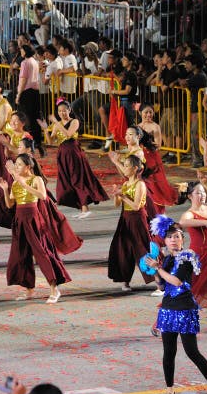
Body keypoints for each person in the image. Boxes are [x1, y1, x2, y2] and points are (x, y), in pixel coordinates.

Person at [146, 215, 207, 394]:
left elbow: (177, 281)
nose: (174, 240)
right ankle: (169, 389)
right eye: (170, 237)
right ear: (165, 241)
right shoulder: (167, 260)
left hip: (185, 310)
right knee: (169, 352)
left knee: (192, 352)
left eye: (177, 236)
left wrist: (158, 269)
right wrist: (155, 273)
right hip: (167, 310)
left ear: (183, 239)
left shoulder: (187, 257)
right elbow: (163, 287)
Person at [0, 153, 70, 303]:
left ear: (28, 167)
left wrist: (24, 184)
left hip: (34, 220)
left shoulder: (36, 179)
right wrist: (5, 189)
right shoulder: (15, 183)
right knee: (21, 255)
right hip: (20, 220)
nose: (16, 168)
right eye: (15, 165)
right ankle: (29, 289)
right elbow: (10, 204)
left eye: (19, 165)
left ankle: (54, 289)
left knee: (42, 253)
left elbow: (43, 196)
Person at [39, 100, 108, 218]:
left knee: (77, 179)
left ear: (69, 110)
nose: (62, 113)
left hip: (73, 152)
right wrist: (46, 129)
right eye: (59, 111)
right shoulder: (57, 124)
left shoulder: (74, 121)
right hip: (62, 153)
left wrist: (56, 122)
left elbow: (68, 134)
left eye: (64, 110)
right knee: (68, 181)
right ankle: (80, 207)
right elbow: (51, 142)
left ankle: (85, 208)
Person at [108, 155, 153, 292]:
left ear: (134, 168)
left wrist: (123, 196)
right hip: (125, 218)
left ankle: (158, 281)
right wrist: (116, 194)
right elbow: (117, 205)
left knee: (143, 248)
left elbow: (136, 206)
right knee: (123, 249)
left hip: (138, 219)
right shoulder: (126, 184)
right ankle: (125, 280)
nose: (125, 168)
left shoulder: (140, 184)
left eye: (127, 166)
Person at [139, 105, 179, 213]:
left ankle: (157, 204)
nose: (148, 115)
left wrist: (147, 143)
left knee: (155, 182)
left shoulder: (155, 126)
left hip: (152, 157)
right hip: (140, 158)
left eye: (150, 112)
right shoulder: (136, 127)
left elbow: (158, 145)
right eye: (146, 112)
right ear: (140, 113)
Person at [180, 182, 207, 308]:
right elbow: (182, 222)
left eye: (203, 192)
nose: (202, 195)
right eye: (198, 192)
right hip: (199, 255)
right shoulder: (189, 213)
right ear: (189, 196)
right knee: (191, 291)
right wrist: (205, 222)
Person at [15, 45, 43, 152]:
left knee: (26, 118)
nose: (21, 52)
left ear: (25, 51)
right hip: (35, 92)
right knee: (35, 117)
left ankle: (28, 141)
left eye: (21, 50)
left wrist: (18, 95)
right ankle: (37, 140)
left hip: (26, 92)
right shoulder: (34, 62)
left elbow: (23, 80)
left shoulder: (25, 63)